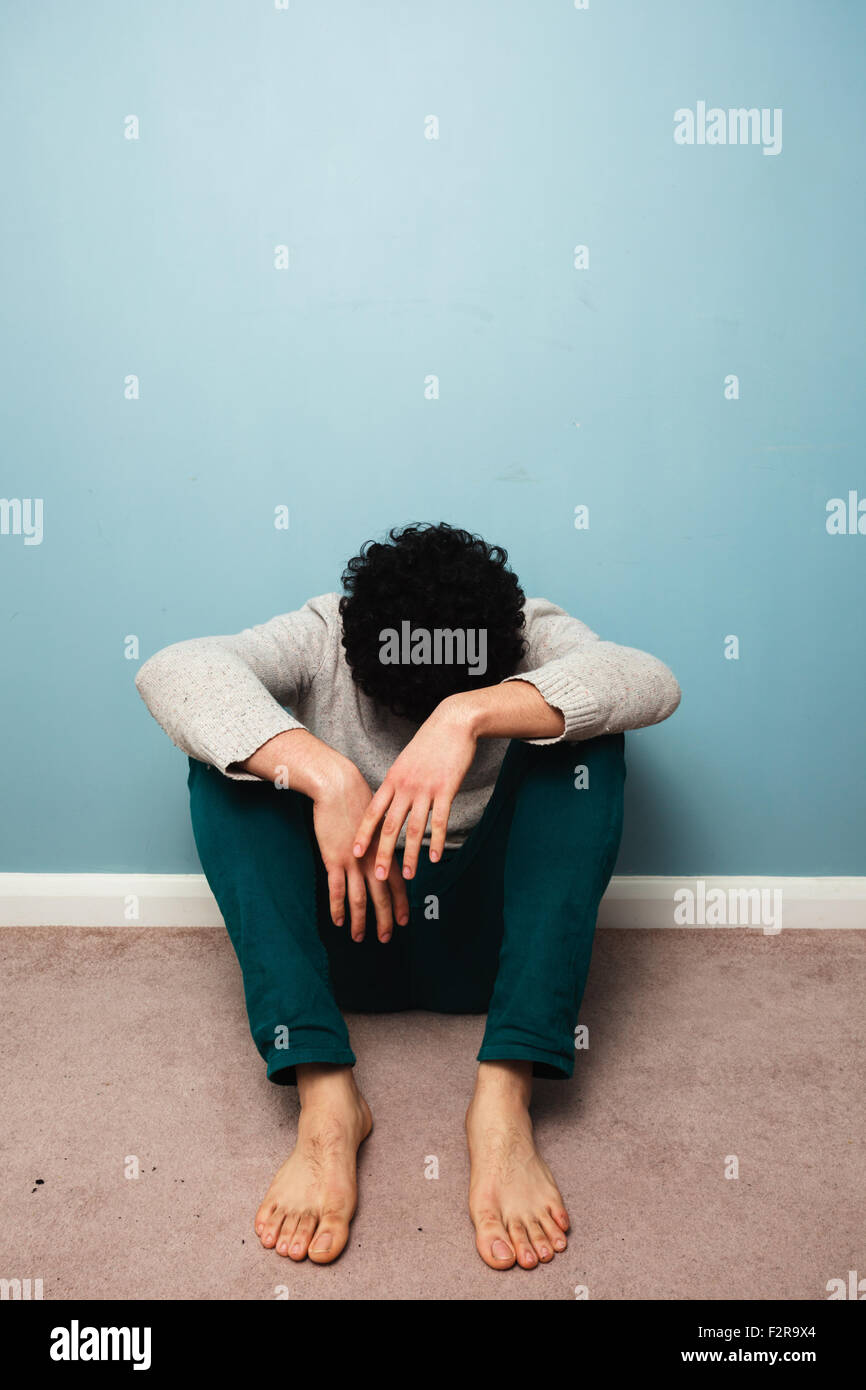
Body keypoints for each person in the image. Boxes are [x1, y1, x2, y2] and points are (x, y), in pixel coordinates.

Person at [135, 522, 681, 1271]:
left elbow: (650, 678)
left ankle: (504, 1099)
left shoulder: (529, 633)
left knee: (589, 743)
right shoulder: (324, 631)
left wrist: (472, 715)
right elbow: (176, 668)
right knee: (225, 762)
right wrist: (324, 773)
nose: (416, 723)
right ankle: (326, 1099)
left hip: (486, 954)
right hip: (347, 929)